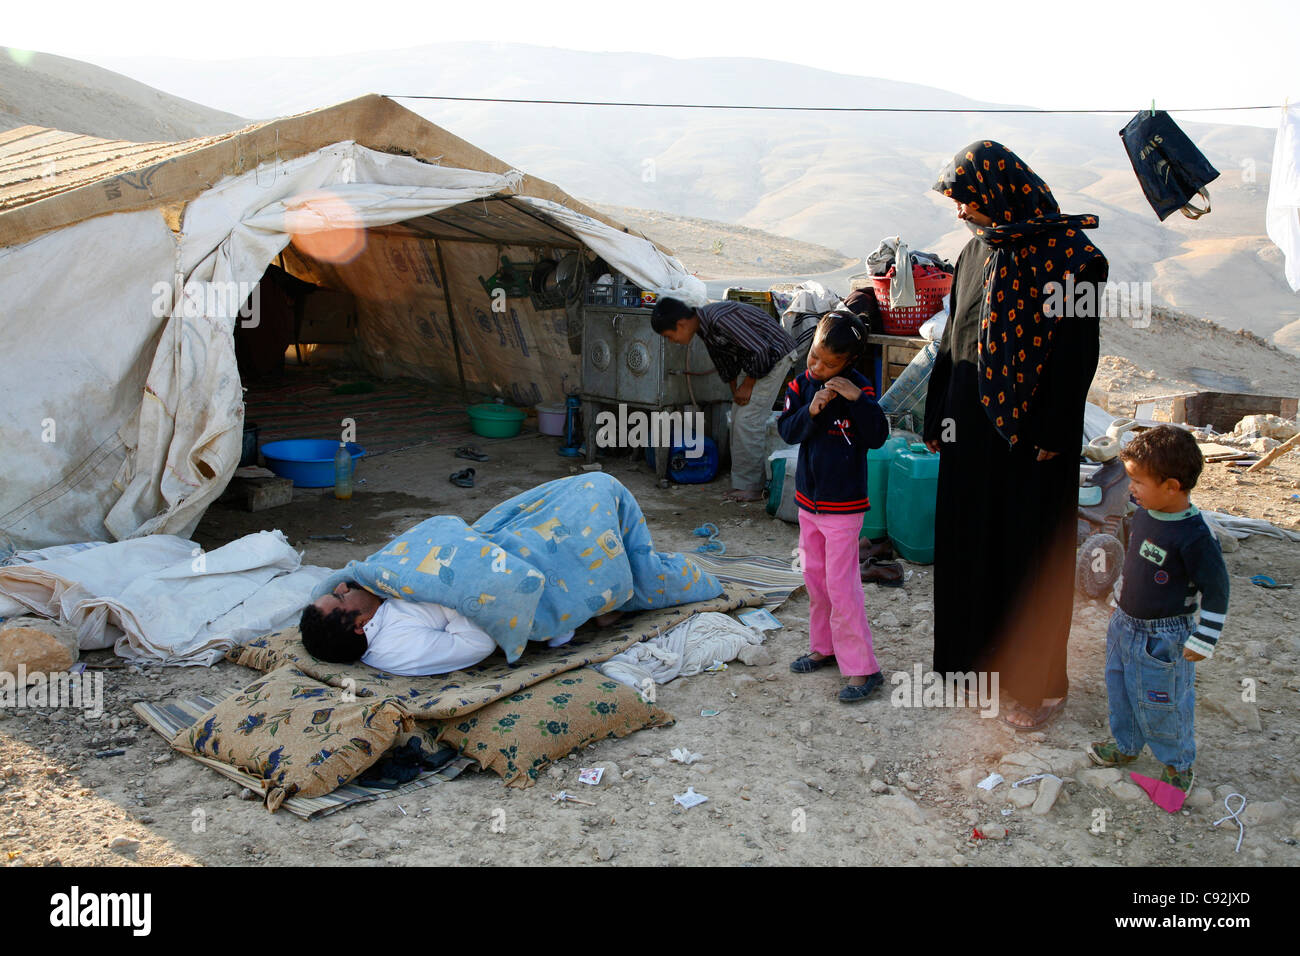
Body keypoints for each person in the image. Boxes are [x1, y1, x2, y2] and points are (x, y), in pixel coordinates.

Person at [923, 140, 1109, 729]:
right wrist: (936, 416)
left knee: (1027, 552)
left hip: (1033, 435)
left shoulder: (1074, 258)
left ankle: (1037, 688)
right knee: (969, 540)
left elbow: (1079, 353)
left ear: (998, 191)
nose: (959, 213)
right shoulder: (975, 252)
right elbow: (953, 341)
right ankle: (973, 665)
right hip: (969, 429)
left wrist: (1056, 428)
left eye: (965, 199)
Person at [1086, 427, 1229, 793]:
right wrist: (1119, 596)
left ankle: (1177, 762)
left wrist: (1204, 638)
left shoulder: (1197, 537)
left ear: (1171, 486)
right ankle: (1127, 745)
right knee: (1120, 689)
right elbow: (1136, 563)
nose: (1130, 488)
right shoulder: (1147, 512)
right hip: (1124, 625)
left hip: (1165, 636)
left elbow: (1217, 590)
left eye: (1137, 481)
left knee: (1164, 700)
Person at [777, 311, 890, 702]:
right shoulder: (801, 385)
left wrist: (856, 400)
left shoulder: (861, 390)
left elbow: (877, 435)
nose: (818, 367)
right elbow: (787, 430)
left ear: (849, 363)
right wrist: (811, 409)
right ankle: (823, 648)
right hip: (809, 504)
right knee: (815, 580)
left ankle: (863, 668)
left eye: (829, 364)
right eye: (814, 357)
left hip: (844, 508)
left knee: (842, 588)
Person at [652, 296, 797, 502]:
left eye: (669, 336)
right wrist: (735, 390)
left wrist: (747, 385)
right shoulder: (703, 327)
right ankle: (743, 484)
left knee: (748, 421)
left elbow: (761, 350)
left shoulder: (718, 318)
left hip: (774, 355)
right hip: (755, 361)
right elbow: (724, 361)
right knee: (738, 418)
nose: (671, 341)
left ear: (681, 324)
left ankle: (753, 487)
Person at [300, 581, 586, 676]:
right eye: (340, 596)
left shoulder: (377, 598)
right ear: (360, 625)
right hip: (486, 591)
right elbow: (476, 644)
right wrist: (453, 597)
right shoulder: (396, 647)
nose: (342, 586)